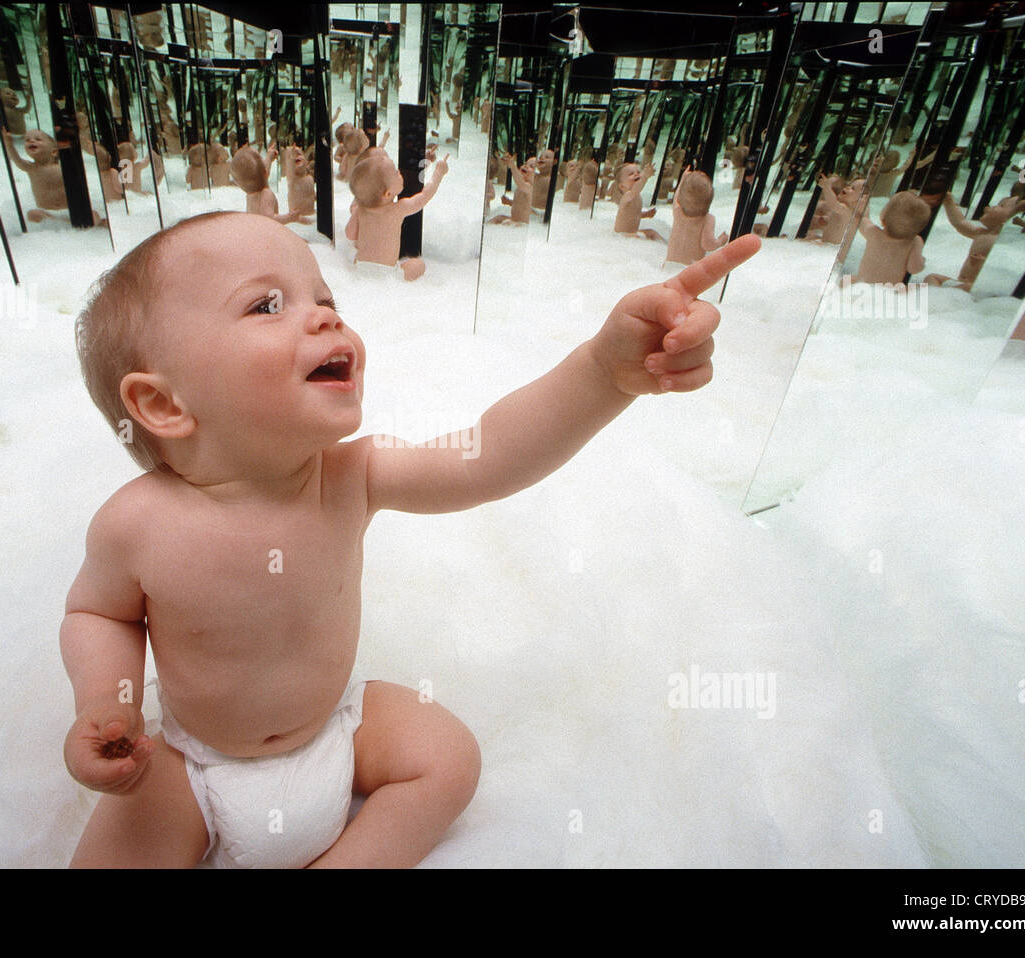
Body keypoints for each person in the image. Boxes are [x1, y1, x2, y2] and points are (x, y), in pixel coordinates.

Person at [63, 209, 762, 867]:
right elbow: (98, 613)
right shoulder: (137, 523)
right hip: (195, 763)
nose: (325, 315)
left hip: (334, 730)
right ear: (161, 403)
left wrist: (603, 373)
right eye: (267, 305)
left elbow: (488, 457)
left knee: (449, 757)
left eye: (323, 295)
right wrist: (106, 702)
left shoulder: (352, 473)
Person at [346, 150, 447, 280]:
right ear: (387, 194)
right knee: (418, 264)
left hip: (361, 269)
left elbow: (350, 234)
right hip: (388, 276)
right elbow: (423, 197)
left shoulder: (361, 210)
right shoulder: (398, 209)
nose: (400, 172)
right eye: (396, 173)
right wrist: (438, 174)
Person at [847, 191, 930, 286]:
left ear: (883, 221)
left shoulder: (873, 232)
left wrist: (863, 208)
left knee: (847, 281)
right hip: (888, 292)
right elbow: (914, 268)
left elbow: (860, 220)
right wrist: (922, 261)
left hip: (863, 287)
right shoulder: (915, 241)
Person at [666, 168, 728, 266]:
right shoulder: (707, 219)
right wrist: (720, 241)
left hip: (669, 264)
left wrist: (682, 179)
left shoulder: (677, 211)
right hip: (689, 269)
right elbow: (708, 244)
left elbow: (676, 198)